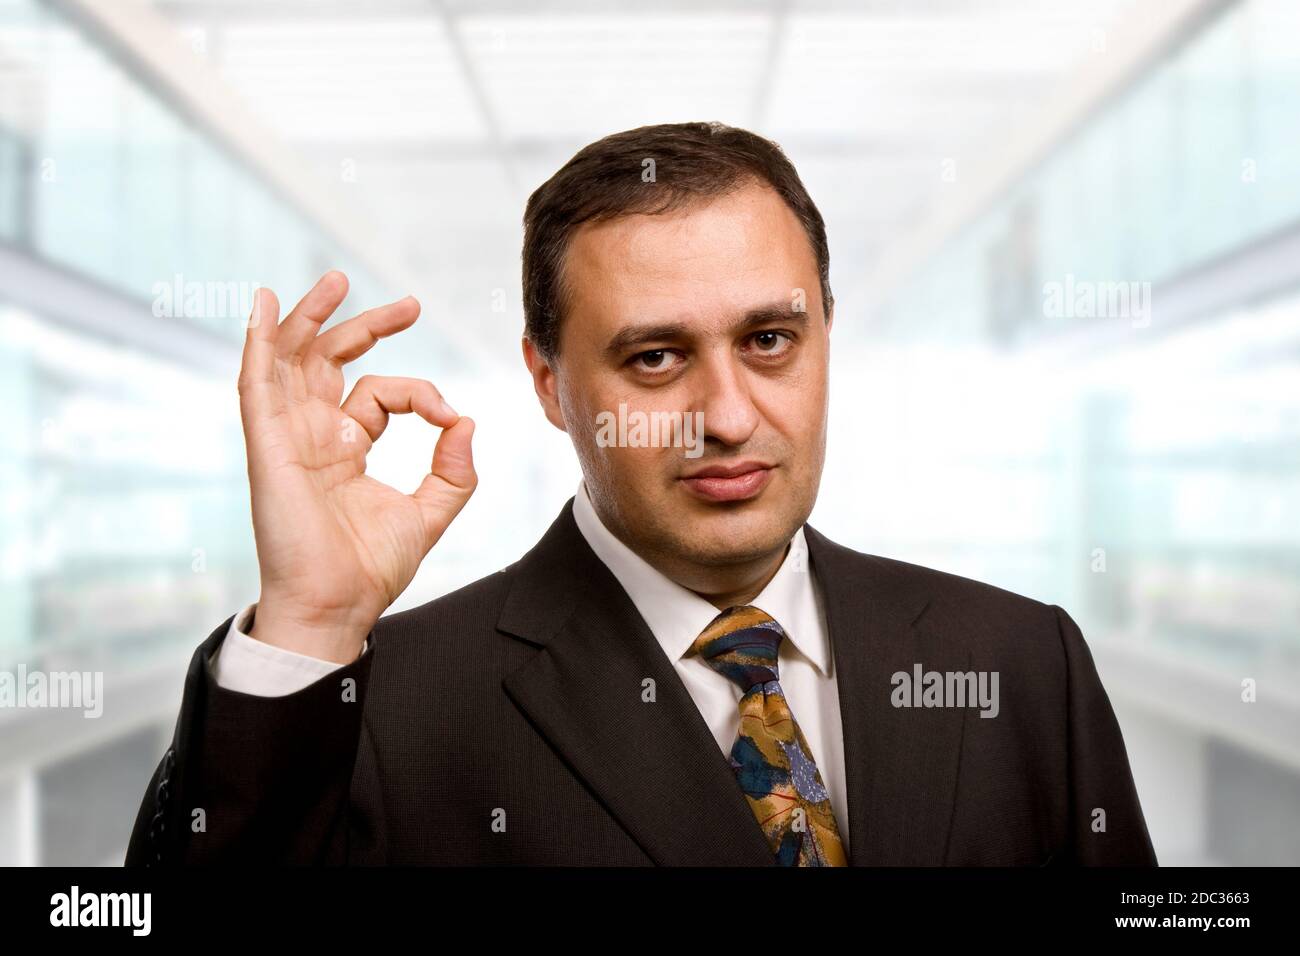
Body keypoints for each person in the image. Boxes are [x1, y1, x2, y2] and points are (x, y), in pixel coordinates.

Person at [126, 122, 1156, 866]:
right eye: (656, 357)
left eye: (768, 340)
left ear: (827, 336)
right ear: (548, 384)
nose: (729, 413)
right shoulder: (384, 708)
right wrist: (308, 622)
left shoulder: (1021, 661)